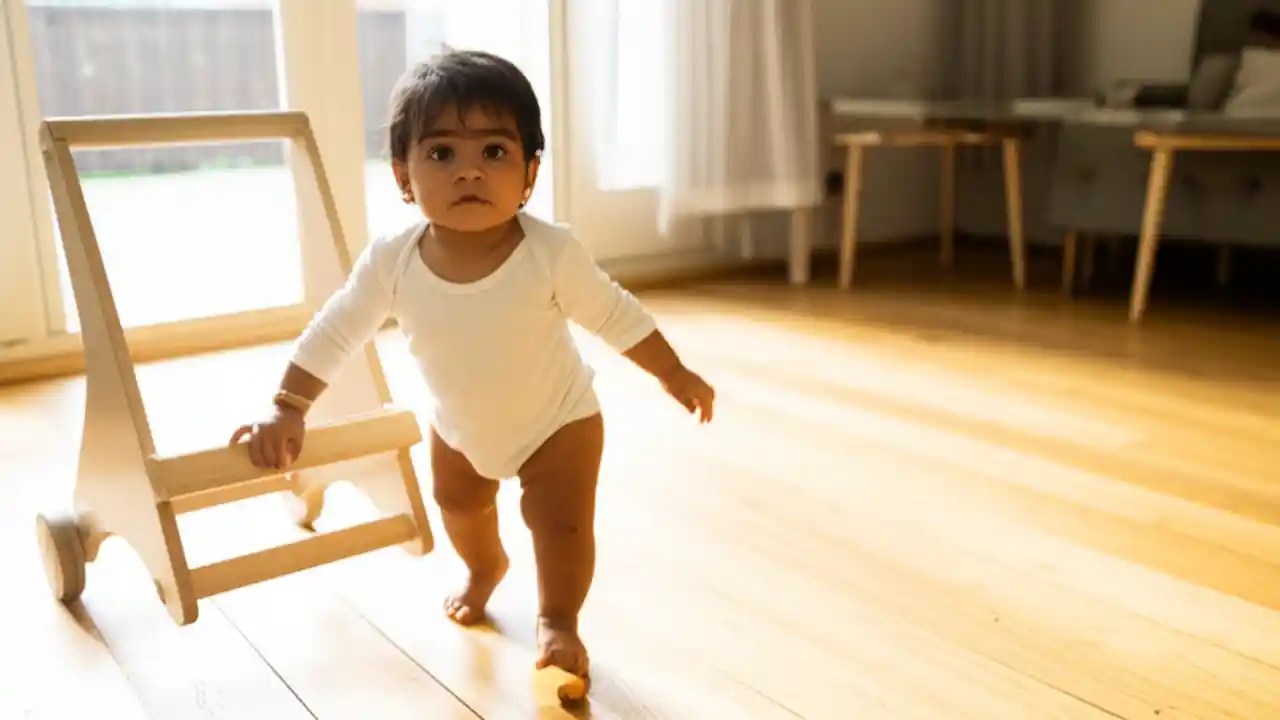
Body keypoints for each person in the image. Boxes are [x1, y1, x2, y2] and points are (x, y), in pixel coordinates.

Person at [228, 49, 715, 683]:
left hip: (559, 421)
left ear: (529, 174)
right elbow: (336, 330)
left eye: (493, 153)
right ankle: (485, 568)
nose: (469, 173)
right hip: (459, 427)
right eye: (441, 155)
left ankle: (558, 620)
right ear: (403, 177)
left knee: (559, 524)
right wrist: (288, 405)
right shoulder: (392, 263)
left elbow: (614, 315)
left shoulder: (550, 253)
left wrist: (672, 372)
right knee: (457, 503)